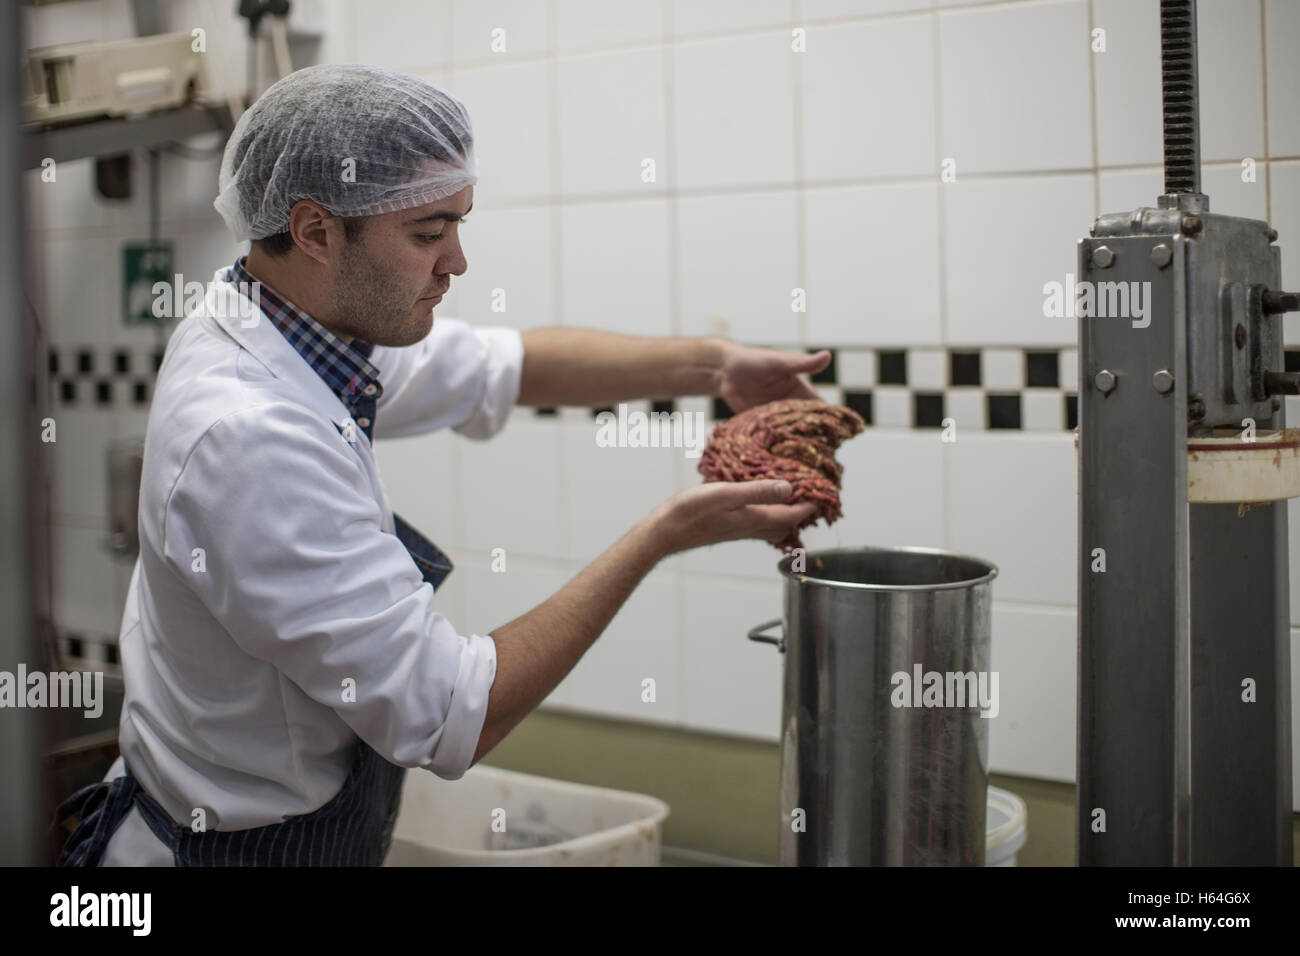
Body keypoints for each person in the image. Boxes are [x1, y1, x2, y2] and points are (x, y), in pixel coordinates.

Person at [51, 64, 829, 866]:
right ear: (316, 231)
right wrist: (663, 533)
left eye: (458, 223)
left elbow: (509, 365)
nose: (457, 262)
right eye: (427, 233)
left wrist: (716, 366)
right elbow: (450, 716)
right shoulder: (248, 435)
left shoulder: (284, 318)